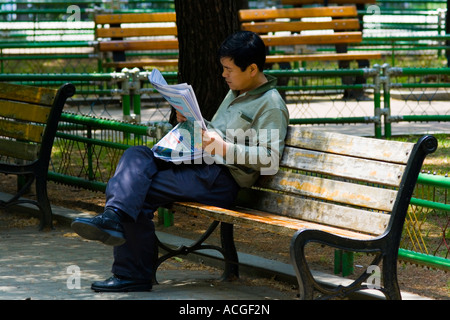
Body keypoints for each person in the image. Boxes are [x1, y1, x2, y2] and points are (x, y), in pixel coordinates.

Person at [71, 30, 289, 292]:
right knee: (136, 155)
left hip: (222, 180)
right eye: (223, 68)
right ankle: (114, 218)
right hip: (202, 164)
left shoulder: (271, 105)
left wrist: (224, 149)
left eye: (228, 69)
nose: (224, 75)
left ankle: (131, 269)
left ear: (252, 68)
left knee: (138, 190)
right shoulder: (238, 90)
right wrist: (194, 121)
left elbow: (269, 158)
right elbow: (218, 132)